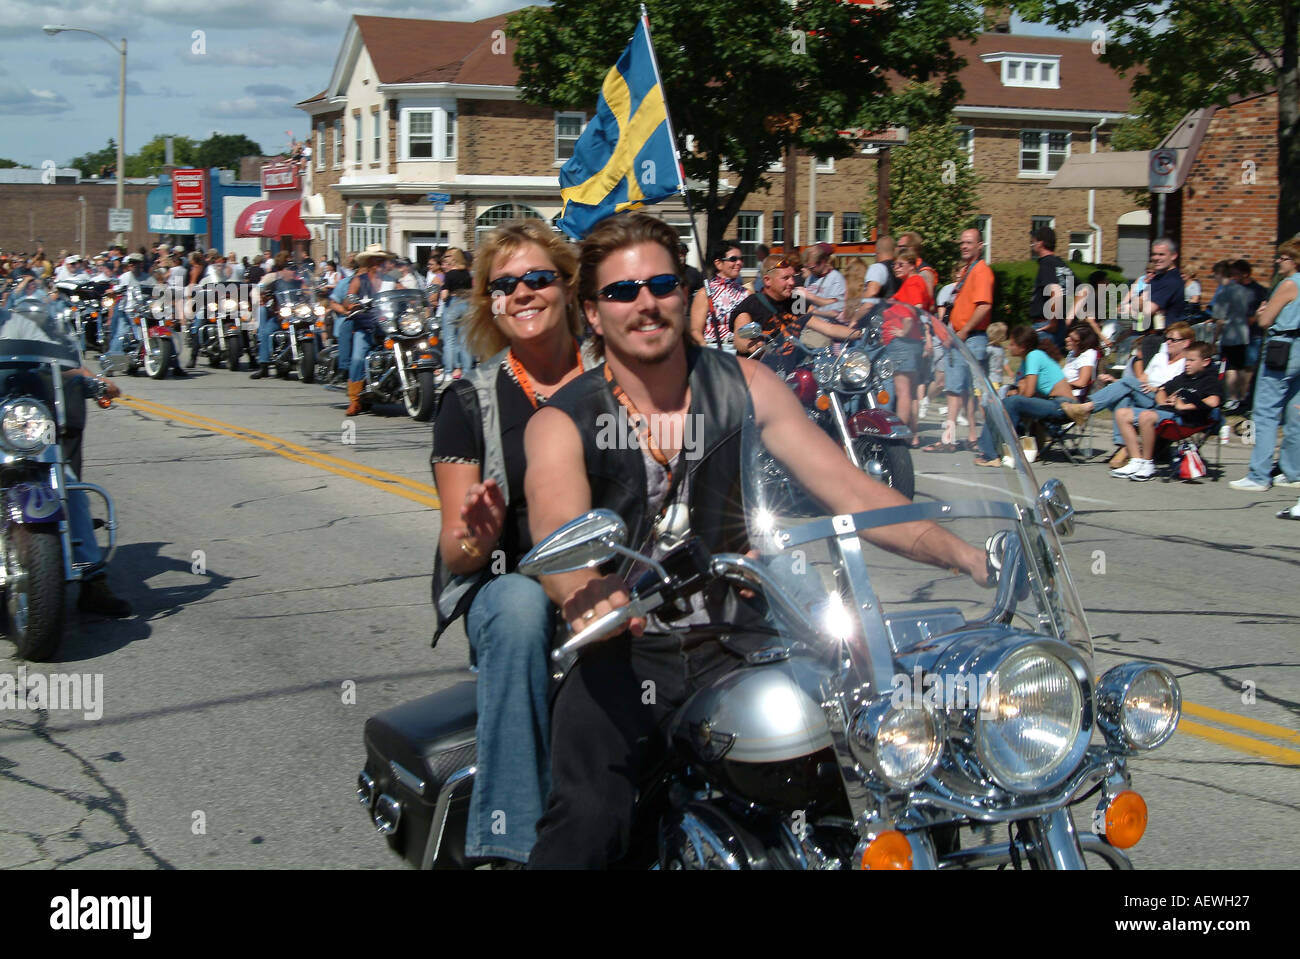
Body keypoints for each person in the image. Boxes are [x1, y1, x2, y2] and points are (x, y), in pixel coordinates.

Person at [520, 212, 990, 868]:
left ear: (686, 293)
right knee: (590, 818)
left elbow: (851, 492)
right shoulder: (564, 421)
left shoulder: (745, 384)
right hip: (628, 653)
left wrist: (966, 554)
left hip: (745, 639)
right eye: (622, 292)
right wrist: (584, 594)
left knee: (898, 770)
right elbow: (558, 527)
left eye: (661, 283)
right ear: (593, 314)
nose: (646, 302)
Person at [431, 218, 593, 866]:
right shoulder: (468, 400)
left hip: (611, 568)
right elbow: (455, 552)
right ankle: (511, 844)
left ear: (568, 286)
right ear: (489, 302)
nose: (522, 293)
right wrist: (478, 533)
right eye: (504, 284)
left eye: (536, 278)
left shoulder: (618, 377)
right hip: (510, 579)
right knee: (522, 611)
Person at [0, 289, 130, 616]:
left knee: (69, 488)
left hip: (17, 423)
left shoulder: (17, 325)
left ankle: (92, 578)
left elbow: (55, 362)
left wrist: (91, 380)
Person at [1061, 322, 1192, 466]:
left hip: (1162, 401)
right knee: (1123, 396)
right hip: (1145, 395)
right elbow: (1142, 380)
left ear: (1186, 343)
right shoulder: (1160, 357)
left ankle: (1087, 409)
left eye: (1173, 340)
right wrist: (1116, 381)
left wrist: (1156, 389)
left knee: (1127, 383)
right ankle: (1124, 449)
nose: (1168, 342)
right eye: (1167, 338)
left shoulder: (1187, 364)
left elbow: (1178, 389)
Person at [1229, 237, 1300, 492]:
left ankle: (1259, 475)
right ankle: (1293, 472)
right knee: (1295, 411)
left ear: (1295, 261)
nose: (1278, 262)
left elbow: (1265, 320)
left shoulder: (1288, 284)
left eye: (1283, 258)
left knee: (1266, 411)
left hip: (1283, 347)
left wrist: (1262, 313)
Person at [1111, 341, 1223, 481]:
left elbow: (1214, 401)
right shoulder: (1183, 378)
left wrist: (1184, 406)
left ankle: (1147, 463)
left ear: (1205, 362)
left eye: (1191, 360)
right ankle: (1136, 460)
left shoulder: (1209, 380)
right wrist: (1164, 402)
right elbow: (1161, 390)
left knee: (1147, 416)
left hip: (1188, 420)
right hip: (1169, 412)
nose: (1187, 363)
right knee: (1122, 413)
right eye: (1186, 360)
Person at [925, 228, 993, 453]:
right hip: (959, 337)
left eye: (969, 242)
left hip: (970, 338)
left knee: (967, 390)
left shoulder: (981, 271)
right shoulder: (966, 271)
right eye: (962, 242)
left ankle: (974, 439)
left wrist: (963, 332)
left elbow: (984, 306)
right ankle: (960, 437)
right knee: (959, 390)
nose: (964, 246)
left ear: (980, 245)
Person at [730, 254, 862, 365]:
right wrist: (754, 344)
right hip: (759, 375)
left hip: (788, 374)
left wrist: (859, 333)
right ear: (767, 280)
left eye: (792, 277)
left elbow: (829, 329)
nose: (792, 282)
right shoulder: (752, 304)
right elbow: (740, 340)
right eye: (785, 278)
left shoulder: (795, 302)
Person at [974, 325, 1072, 467]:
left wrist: (1016, 393)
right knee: (998, 403)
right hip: (1052, 403)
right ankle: (995, 450)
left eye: (1012, 344)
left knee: (1013, 402)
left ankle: (993, 453)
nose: (1009, 347)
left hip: (1063, 406)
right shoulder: (1027, 360)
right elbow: (1021, 388)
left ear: (1023, 346)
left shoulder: (1034, 356)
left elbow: (1028, 392)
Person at [340, 244, 397, 412]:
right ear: (369, 262)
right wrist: (352, 302)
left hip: (389, 327)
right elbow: (348, 299)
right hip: (365, 326)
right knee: (358, 358)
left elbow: (405, 294)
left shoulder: (391, 281)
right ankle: (355, 399)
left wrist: (417, 300)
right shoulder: (359, 280)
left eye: (381, 260)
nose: (379, 263)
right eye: (376, 260)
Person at [689, 240, 748, 350]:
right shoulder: (705, 293)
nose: (739, 263)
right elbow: (695, 331)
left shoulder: (746, 293)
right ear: (718, 263)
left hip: (741, 352)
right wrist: (707, 352)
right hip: (713, 349)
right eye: (733, 259)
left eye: (741, 259)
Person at [1028, 227, 1073, 351]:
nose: (1032, 245)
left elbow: (1056, 292)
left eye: (1034, 241)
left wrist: (1053, 323)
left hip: (1046, 325)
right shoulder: (1062, 265)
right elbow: (1082, 291)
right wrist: (1067, 319)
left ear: (1040, 243)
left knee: (1037, 367)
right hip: (1059, 325)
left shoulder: (1046, 264)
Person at [439, 248, 475, 382]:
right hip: (466, 305)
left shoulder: (449, 275)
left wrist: (443, 292)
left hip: (452, 304)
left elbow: (444, 296)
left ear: (454, 259)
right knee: (465, 341)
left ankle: (449, 371)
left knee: (449, 340)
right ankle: (467, 371)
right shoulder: (467, 274)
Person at [1143, 238, 1186, 331]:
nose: (1156, 258)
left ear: (1173, 256)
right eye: (1154, 254)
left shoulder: (1172, 280)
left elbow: (1147, 310)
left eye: (1161, 254)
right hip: (1149, 333)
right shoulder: (1157, 278)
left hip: (1165, 338)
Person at [864, 235, 899, 300]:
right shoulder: (899, 268)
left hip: (883, 309)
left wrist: (861, 309)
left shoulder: (877, 268)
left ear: (877, 251)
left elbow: (872, 293)